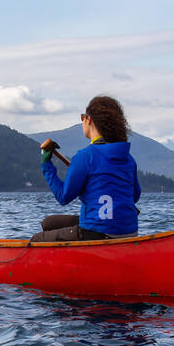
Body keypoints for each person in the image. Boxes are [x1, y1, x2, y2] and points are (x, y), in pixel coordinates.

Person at [32, 95, 140, 242]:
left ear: (89, 120)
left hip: (98, 232)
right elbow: (135, 196)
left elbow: (63, 197)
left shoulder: (86, 156)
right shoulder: (128, 158)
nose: (82, 121)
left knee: (37, 239)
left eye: (82, 117)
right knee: (48, 223)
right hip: (128, 231)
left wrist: (46, 165)